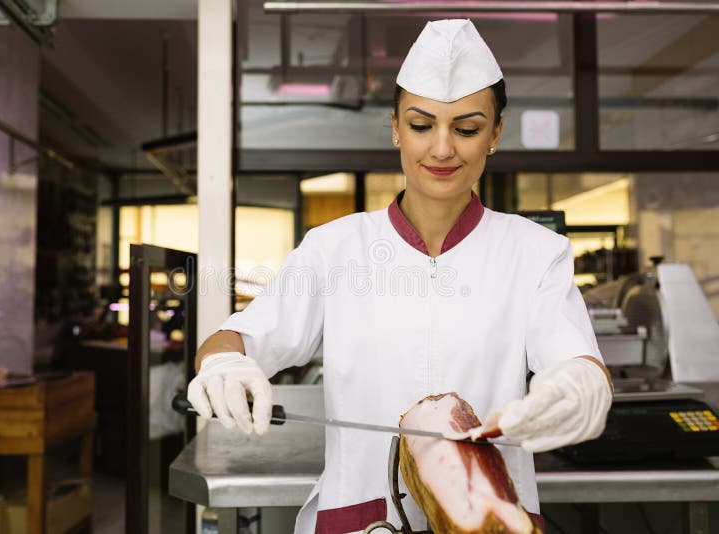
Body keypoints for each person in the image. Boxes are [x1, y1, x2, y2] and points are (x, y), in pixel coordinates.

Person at [188, 19, 612, 534]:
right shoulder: (334, 247)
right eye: (420, 124)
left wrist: (582, 383)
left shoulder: (536, 252)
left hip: (489, 520)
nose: (440, 149)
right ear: (394, 127)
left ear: (495, 134)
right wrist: (224, 363)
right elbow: (241, 336)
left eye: (467, 128)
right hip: (361, 519)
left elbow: (574, 359)